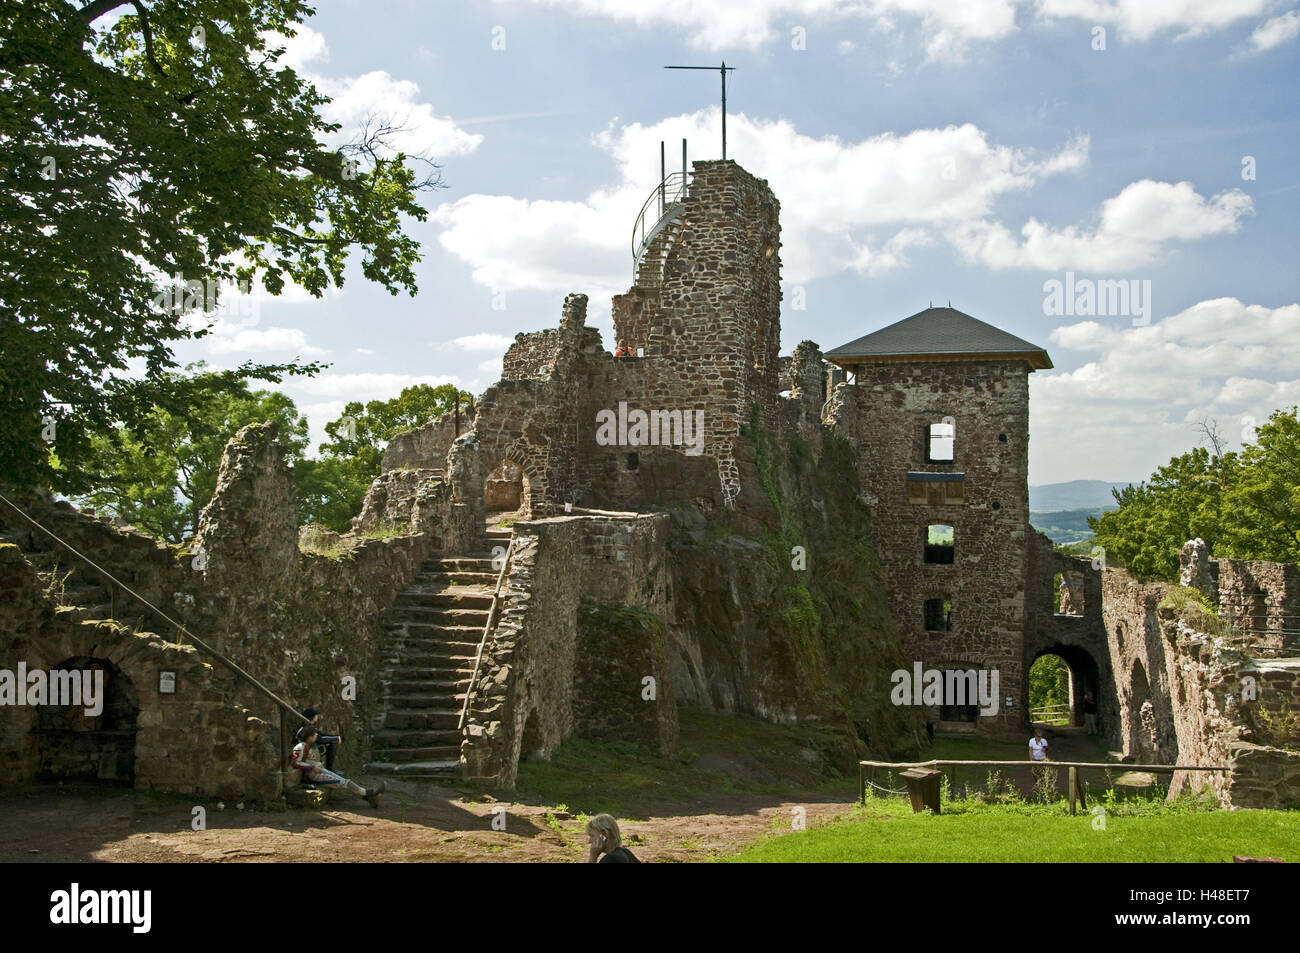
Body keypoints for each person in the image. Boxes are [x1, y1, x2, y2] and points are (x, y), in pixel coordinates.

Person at [291, 727, 386, 808]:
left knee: (343, 780)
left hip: (320, 770)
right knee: (343, 783)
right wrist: (311, 767)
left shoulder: (310, 745)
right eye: (315, 735)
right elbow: (295, 762)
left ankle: (369, 798)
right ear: (310, 737)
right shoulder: (301, 747)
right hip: (313, 775)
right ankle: (369, 793)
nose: (317, 736)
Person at [302, 706, 341, 771]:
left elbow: (321, 735)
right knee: (329, 744)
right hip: (307, 752)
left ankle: (330, 769)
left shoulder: (309, 726)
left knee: (330, 744)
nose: (317, 716)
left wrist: (334, 737)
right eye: (316, 715)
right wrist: (336, 738)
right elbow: (320, 739)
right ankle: (329, 770)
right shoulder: (307, 728)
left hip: (310, 749)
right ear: (312, 717)